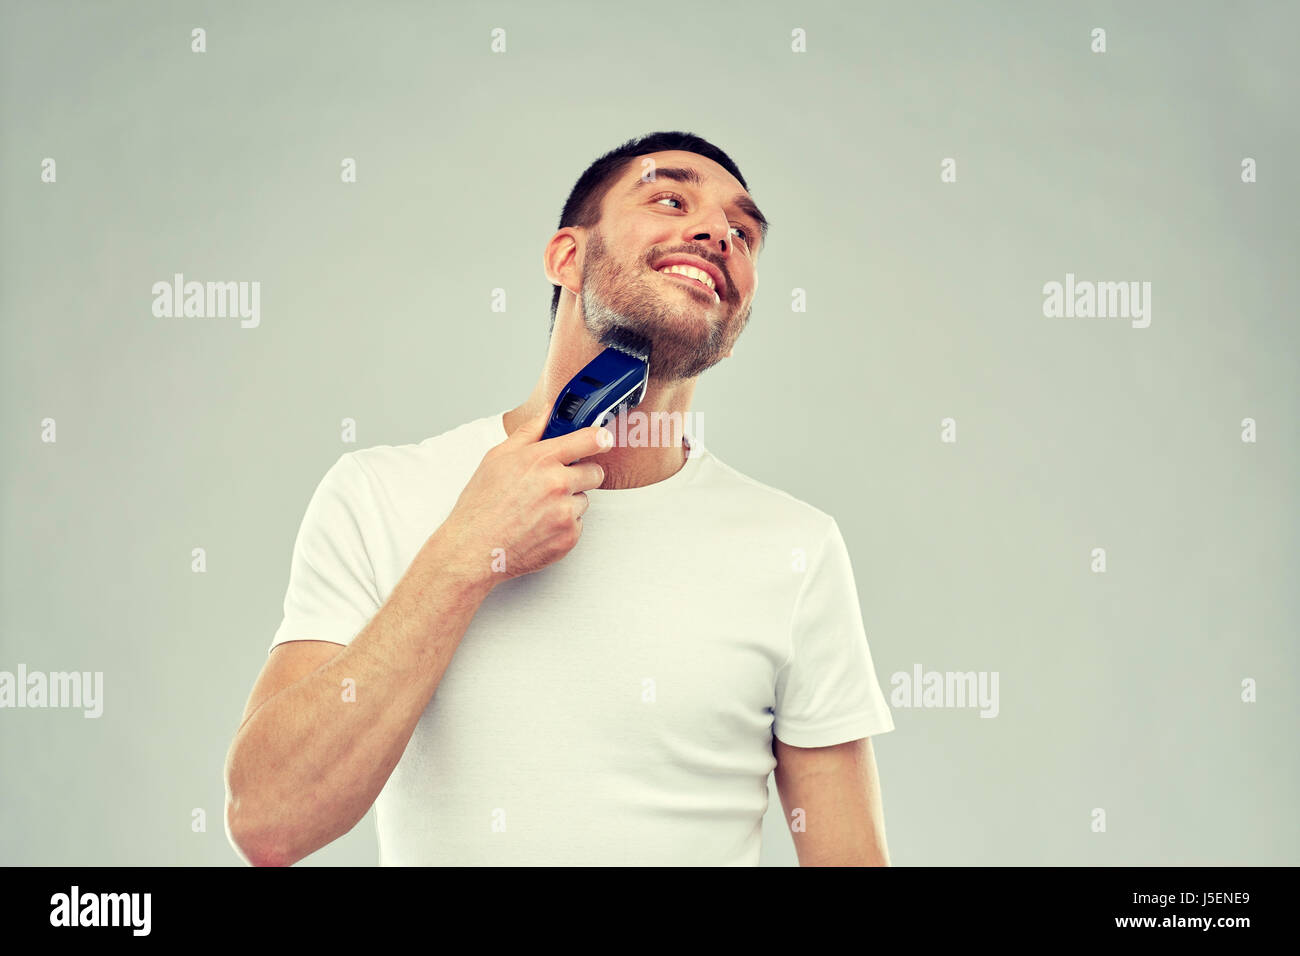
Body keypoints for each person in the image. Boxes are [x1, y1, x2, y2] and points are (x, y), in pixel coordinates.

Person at [224, 131, 895, 866]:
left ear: (733, 325)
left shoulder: (796, 548)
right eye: (670, 199)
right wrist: (464, 553)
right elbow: (269, 820)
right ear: (566, 258)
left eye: (744, 233)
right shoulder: (379, 493)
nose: (717, 233)